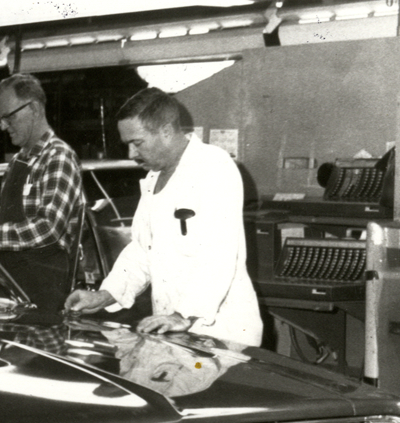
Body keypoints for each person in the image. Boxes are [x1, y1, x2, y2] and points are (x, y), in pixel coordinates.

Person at [64, 88, 262, 345]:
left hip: (218, 329)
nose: (131, 155)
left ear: (166, 131)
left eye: (137, 143)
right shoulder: (154, 178)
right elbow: (142, 250)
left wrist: (184, 314)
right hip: (174, 328)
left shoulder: (213, 166)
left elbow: (219, 252)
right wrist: (105, 294)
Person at [0, 73, 84, 310]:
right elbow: (7, 221)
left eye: (9, 117)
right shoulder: (18, 162)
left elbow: (48, 229)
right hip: (13, 289)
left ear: (35, 108)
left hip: (46, 294)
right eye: (0, 119)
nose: (4, 126)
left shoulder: (58, 157)